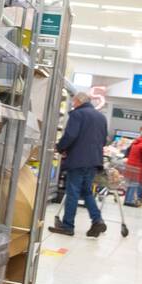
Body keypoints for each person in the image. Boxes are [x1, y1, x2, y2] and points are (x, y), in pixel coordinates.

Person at [50, 92, 109, 237]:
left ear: (78, 101)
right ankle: (97, 220)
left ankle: (68, 226)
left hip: (78, 160)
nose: (72, 104)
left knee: (73, 192)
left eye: (73, 101)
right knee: (87, 191)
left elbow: (70, 135)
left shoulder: (77, 114)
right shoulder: (101, 117)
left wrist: (60, 148)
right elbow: (104, 140)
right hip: (94, 160)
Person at [123, 127, 142, 207]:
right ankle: (129, 201)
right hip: (137, 166)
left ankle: (127, 199)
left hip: (130, 164)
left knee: (130, 183)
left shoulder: (135, 142)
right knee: (134, 183)